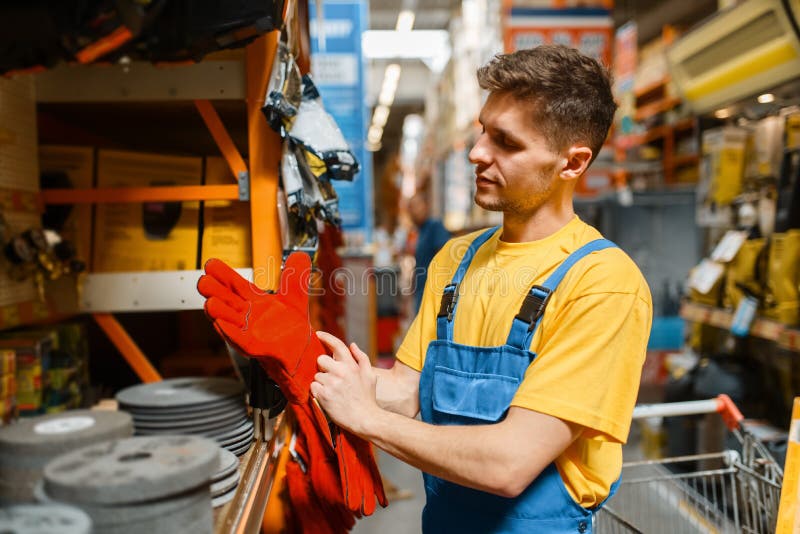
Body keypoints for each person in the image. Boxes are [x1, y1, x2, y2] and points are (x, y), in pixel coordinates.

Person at [310, 44, 653, 533]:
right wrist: (308, 364)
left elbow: (509, 463)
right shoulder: (456, 260)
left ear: (572, 163)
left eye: (505, 143)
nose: (476, 153)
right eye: (482, 131)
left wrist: (366, 419)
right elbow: (407, 390)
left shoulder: (602, 286)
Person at [407, 193, 450, 312]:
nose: (413, 211)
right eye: (410, 208)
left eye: (416, 206)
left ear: (426, 206)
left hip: (433, 295)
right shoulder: (419, 232)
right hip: (421, 292)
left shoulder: (435, 227)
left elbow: (444, 258)